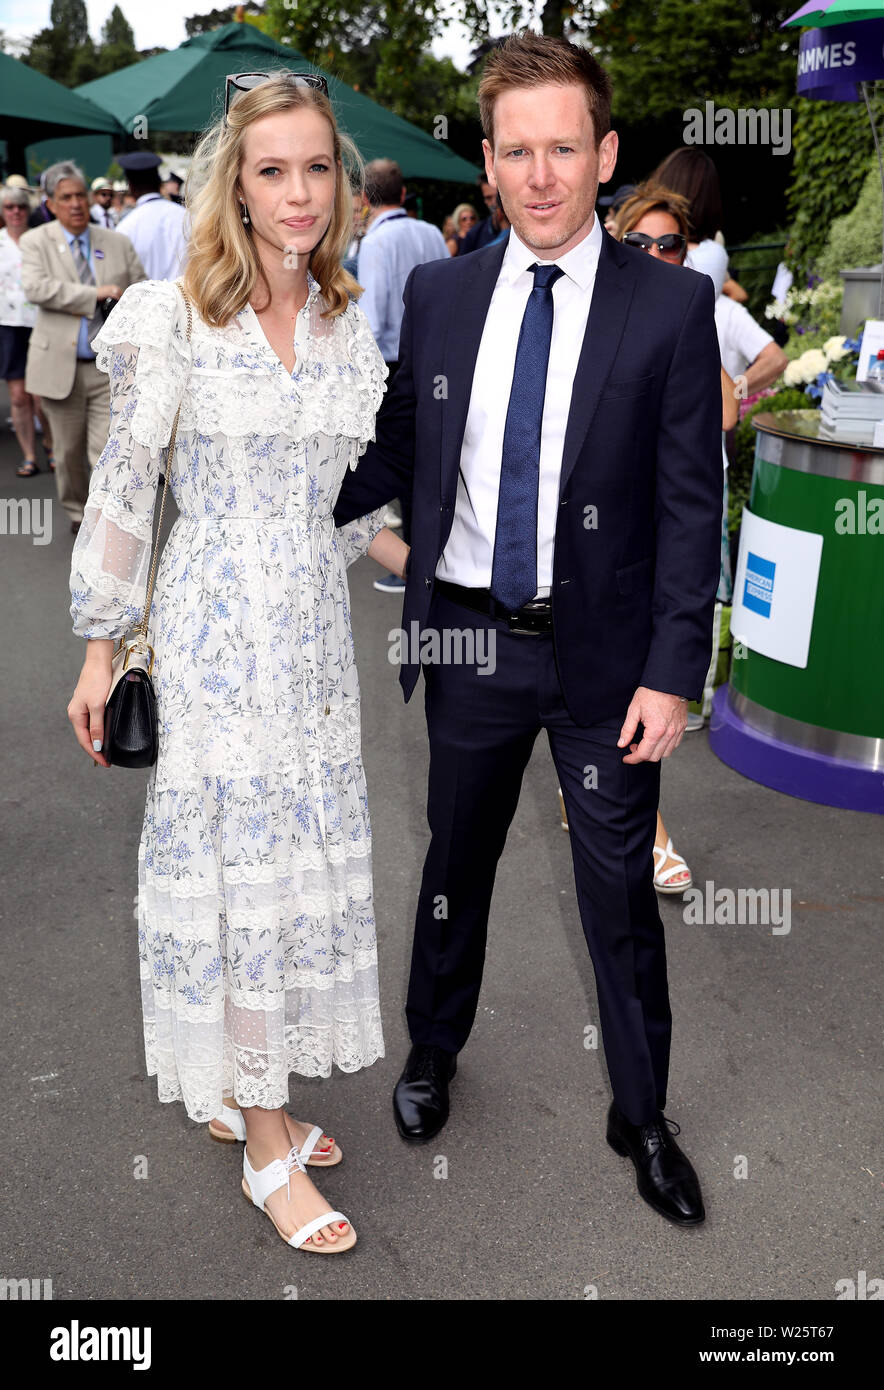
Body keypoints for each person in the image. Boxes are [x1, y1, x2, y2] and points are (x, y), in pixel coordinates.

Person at [334, 31, 723, 1227]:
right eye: (517, 152)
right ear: (487, 168)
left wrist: (672, 670)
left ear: (603, 155)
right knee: (452, 867)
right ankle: (432, 1052)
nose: (541, 175)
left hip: (608, 666)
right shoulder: (439, 293)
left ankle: (642, 1113)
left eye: (564, 147)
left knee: (614, 894)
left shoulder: (668, 304)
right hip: (468, 641)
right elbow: (394, 451)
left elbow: (685, 503)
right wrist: (280, 480)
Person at [67, 70, 408, 1255]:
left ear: (341, 183)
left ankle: (238, 1085)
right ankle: (267, 1144)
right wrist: (102, 648)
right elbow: (122, 491)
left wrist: (453, 562)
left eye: (318, 166)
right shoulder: (172, 318)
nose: (300, 191)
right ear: (236, 184)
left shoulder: (344, 324)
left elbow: (343, 510)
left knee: (282, 864)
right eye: (273, 169)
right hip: (214, 636)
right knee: (240, 866)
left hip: (311, 639)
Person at [614, 181, 739, 892]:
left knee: (648, 684)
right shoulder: (593, 309)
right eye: (641, 242)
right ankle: (644, 825)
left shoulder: (699, 313)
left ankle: (632, 815)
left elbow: (724, 412)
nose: (657, 254)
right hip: (607, 541)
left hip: (675, 530)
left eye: (671, 245)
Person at [20, 161, 145, 532]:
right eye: (66, 197)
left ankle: (104, 515)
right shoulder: (36, 242)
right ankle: (77, 511)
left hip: (110, 369)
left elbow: (140, 289)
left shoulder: (116, 242)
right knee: (68, 451)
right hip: (61, 366)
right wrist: (97, 294)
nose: (76, 204)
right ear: (51, 203)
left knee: (107, 448)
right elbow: (37, 288)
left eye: (80, 196)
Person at [355, 157, 448, 592]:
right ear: (405, 194)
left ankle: (407, 565)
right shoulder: (429, 231)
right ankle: (427, 558)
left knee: (400, 466)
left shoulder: (376, 243)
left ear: (366, 200)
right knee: (428, 462)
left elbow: (370, 318)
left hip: (390, 366)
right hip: (439, 359)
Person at [0, 183, 54, 476]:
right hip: (8, 326)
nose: (16, 212)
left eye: (20, 206)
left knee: (41, 397)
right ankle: (29, 455)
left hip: (40, 321)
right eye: (10, 207)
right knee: (19, 396)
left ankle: (51, 443)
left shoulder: (39, 240)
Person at [114, 151, 188, 280]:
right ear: (159, 182)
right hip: (187, 297)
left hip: (144, 298)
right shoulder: (186, 216)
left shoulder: (126, 227)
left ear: (131, 186)